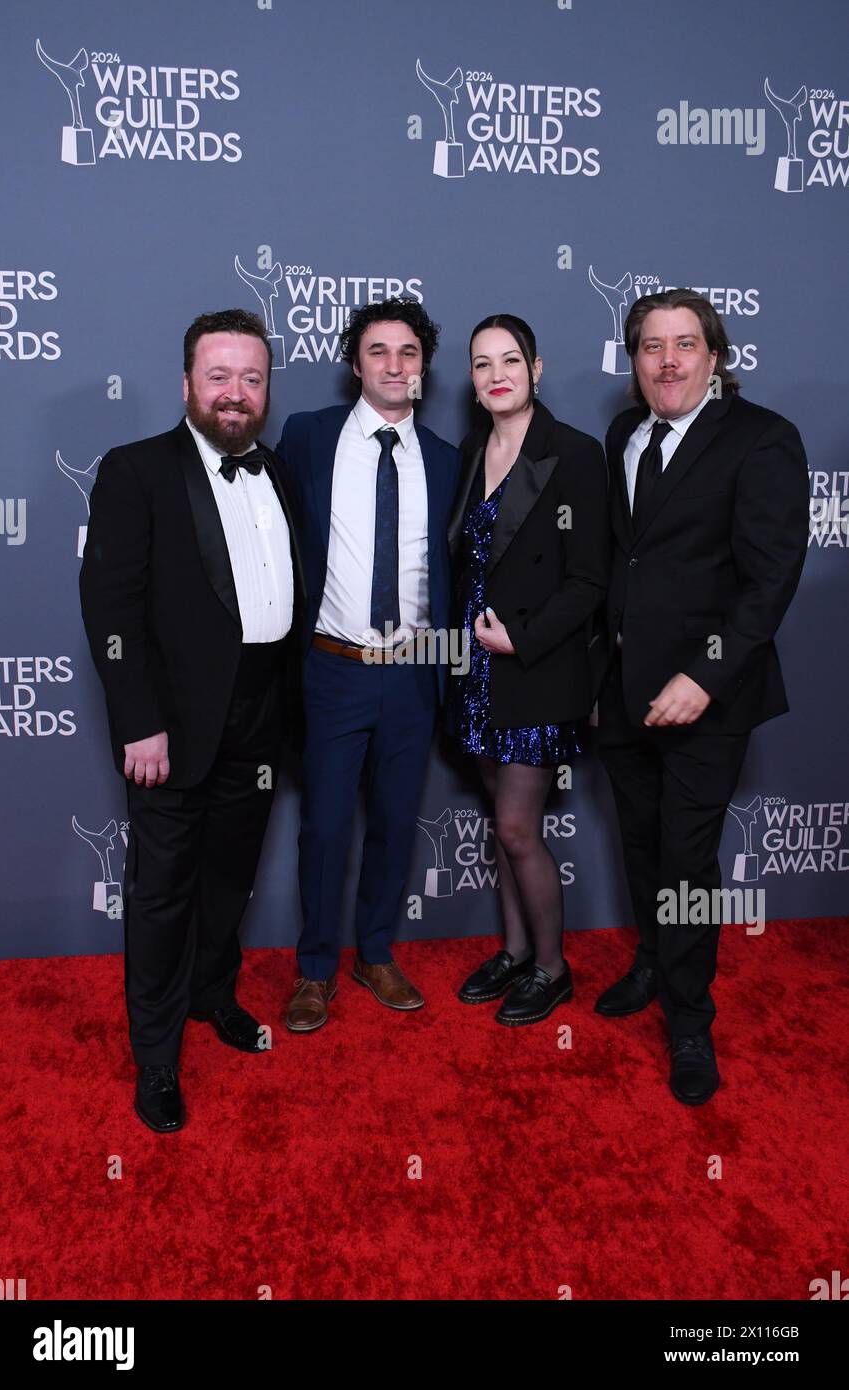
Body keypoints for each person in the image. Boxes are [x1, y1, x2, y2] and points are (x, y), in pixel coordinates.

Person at [80, 308, 304, 1132]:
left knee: (227, 878)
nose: (235, 393)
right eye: (219, 376)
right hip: (172, 724)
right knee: (163, 894)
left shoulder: (277, 474)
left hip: (261, 713)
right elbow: (111, 606)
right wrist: (139, 721)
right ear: (187, 385)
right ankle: (158, 1061)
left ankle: (215, 996)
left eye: (251, 377)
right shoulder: (135, 471)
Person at [595, 288, 809, 1104]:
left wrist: (703, 677)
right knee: (643, 844)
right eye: (653, 346)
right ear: (635, 360)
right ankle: (652, 962)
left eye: (687, 344)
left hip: (706, 696)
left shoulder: (762, 441)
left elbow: (768, 580)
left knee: (686, 860)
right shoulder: (624, 435)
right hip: (622, 690)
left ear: (715, 356)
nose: (670, 361)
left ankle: (690, 1020)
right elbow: (630, 562)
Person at [275, 297, 460, 1032]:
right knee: (323, 825)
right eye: (379, 351)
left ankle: (376, 950)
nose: (394, 365)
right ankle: (315, 966)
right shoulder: (308, 438)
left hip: (414, 672)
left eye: (409, 352)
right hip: (331, 668)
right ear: (355, 363)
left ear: (424, 368)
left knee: (392, 820)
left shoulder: (447, 460)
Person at [447, 314, 610, 1024]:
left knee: (518, 828)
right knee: (499, 822)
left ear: (537, 369)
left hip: (536, 669)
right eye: (482, 364)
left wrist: (524, 638)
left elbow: (590, 579)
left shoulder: (572, 453)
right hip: (476, 672)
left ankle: (552, 968)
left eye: (509, 360)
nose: (496, 375)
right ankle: (515, 952)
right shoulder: (470, 450)